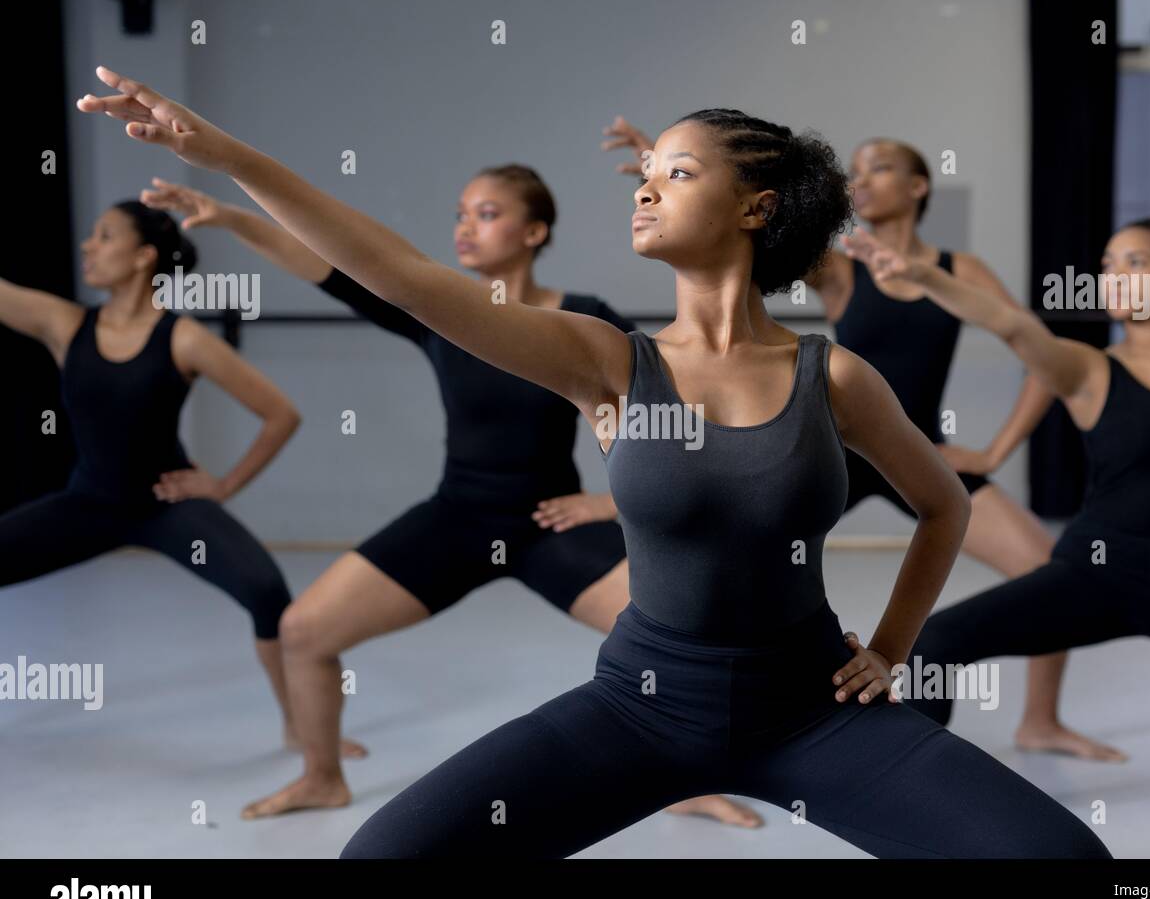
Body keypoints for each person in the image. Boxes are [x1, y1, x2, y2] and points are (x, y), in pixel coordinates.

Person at [79, 68, 1111, 858]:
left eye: (677, 171)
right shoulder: (604, 357)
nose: (644, 189)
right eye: (646, 170)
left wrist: (886, 647)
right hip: (642, 706)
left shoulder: (833, 378)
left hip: (812, 710)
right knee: (385, 853)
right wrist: (230, 160)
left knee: (1063, 854)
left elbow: (942, 505)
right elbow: (399, 273)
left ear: (756, 208)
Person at [136, 176, 761, 828]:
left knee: (681, 629)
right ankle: (322, 778)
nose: (465, 226)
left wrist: (610, 503)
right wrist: (236, 218)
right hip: (458, 518)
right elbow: (330, 265)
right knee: (303, 632)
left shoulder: (581, 316)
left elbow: (675, 406)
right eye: (461, 213)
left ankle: (685, 781)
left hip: (550, 524)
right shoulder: (439, 309)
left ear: (534, 233)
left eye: (487, 214)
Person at [602, 118, 1123, 761]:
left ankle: (1040, 721)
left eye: (879, 167)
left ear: (918, 185)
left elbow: (1036, 350)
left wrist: (993, 454)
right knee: (673, 566)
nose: (861, 180)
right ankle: (681, 729)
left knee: (1045, 574)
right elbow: (747, 234)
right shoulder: (842, 265)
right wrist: (673, 174)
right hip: (828, 453)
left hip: (913, 453)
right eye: (855, 169)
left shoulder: (962, 270)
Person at [849, 219, 1150, 728]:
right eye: (1107, 266)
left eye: (1135, 262)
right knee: (936, 641)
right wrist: (926, 277)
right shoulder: (1088, 369)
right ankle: (917, 786)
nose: (1115, 275)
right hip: (1097, 575)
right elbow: (1014, 326)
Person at [0, 200, 326, 753]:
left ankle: (300, 727)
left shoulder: (183, 339)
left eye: (104, 237)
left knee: (268, 593)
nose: (88, 246)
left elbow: (281, 415)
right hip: (88, 504)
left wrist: (221, 486)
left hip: (163, 506)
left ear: (143, 257)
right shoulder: (66, 324)